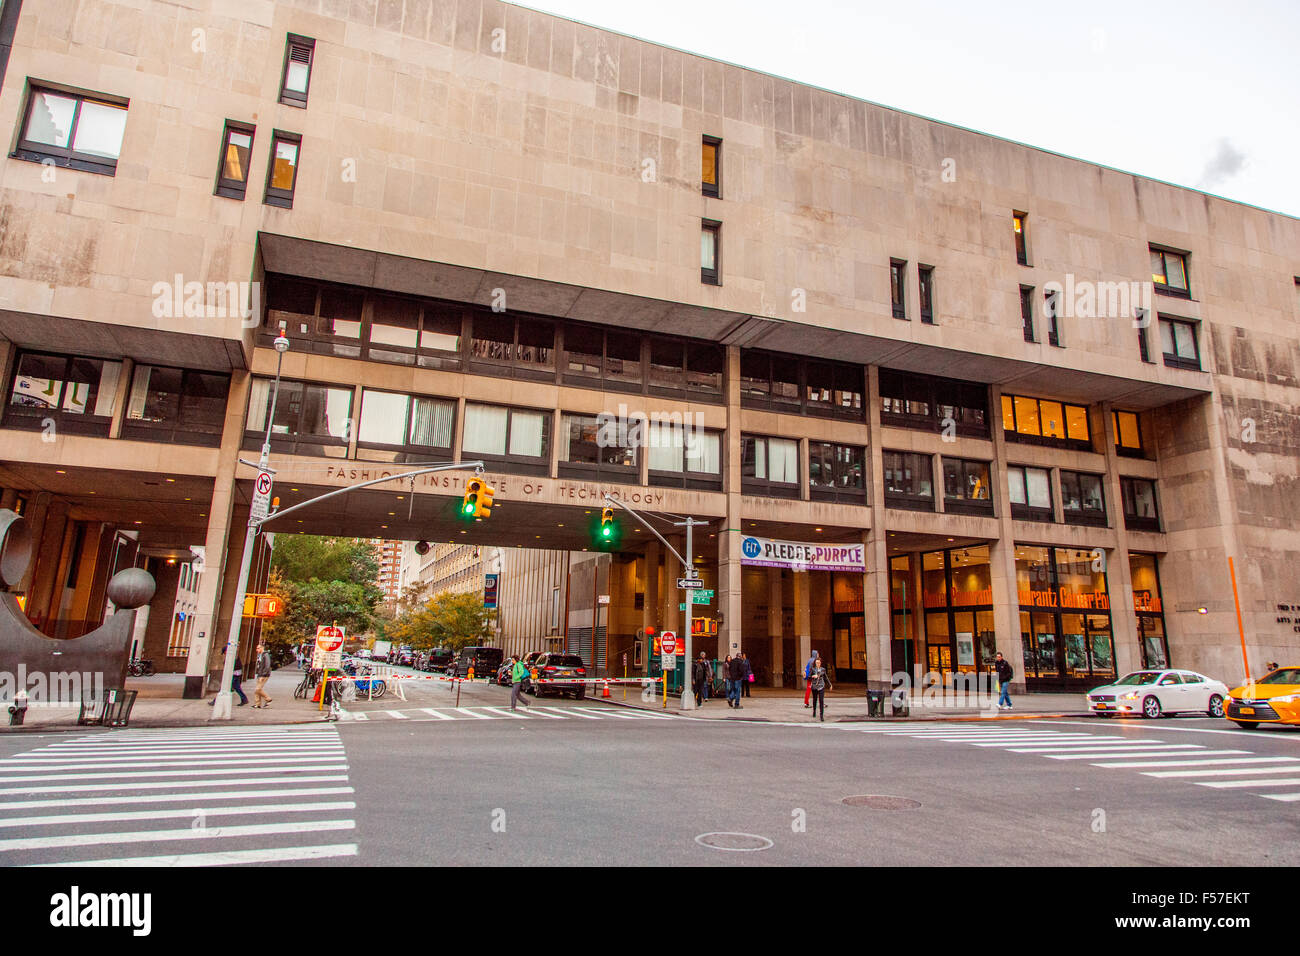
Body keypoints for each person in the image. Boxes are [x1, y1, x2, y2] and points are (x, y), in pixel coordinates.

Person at [809, 654, 831, 721]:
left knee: (821, 700)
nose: (817, 664)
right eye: (816, 663)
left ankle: (821, 715)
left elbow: (826, 677)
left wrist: (830, 684)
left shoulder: (823, 669)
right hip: (815, 686)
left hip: (821, 686)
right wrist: (813, 676)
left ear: (820, 663)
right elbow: (809, 677)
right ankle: (814, 711)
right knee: (815, 700)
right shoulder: (813, 669)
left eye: (818, 663)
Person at [252, 642, 273, 708]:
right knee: (257, 689)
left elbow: (267, 665)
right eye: (256, 648)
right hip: (260, 674)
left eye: (258, 648)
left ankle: (268, 699)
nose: (256, 650)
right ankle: (257, 704)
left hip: (264, 675)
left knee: (258, 689)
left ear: (262, 648)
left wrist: (263, 674)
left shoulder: (265, 655)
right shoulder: (260, 655)